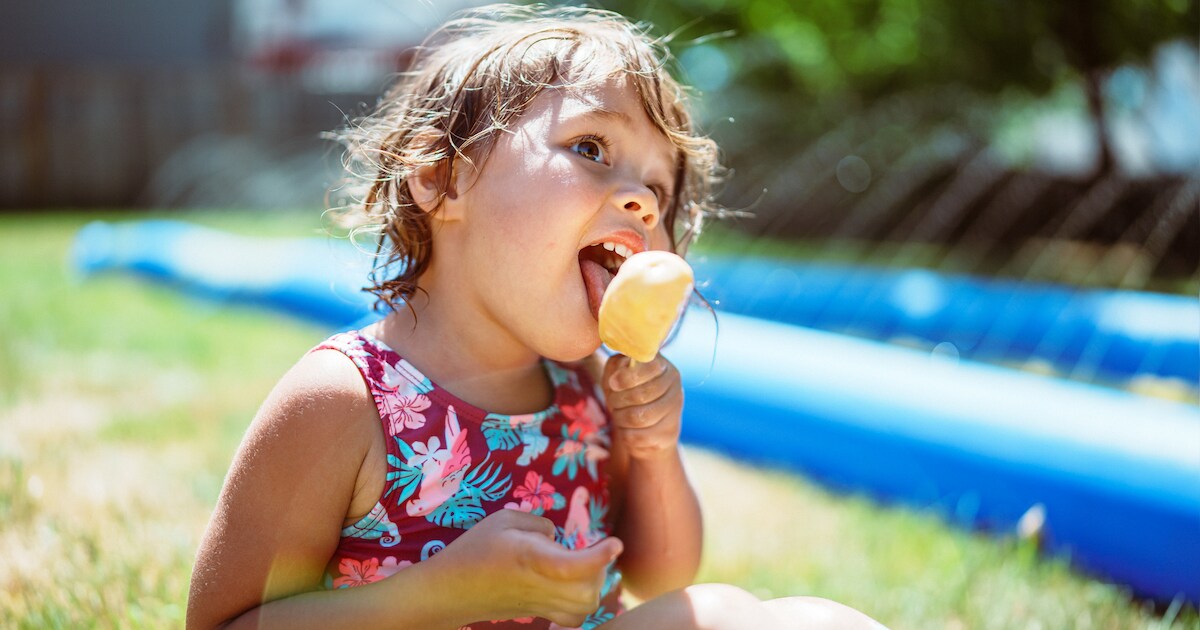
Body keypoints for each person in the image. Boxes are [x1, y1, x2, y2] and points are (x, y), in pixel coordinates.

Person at [187, 4, 884, 629]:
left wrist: (653, 454)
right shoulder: (346, 401)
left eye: (660, 189)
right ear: (441, 178)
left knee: (782, 619)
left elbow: (662, 575)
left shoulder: (586, 392)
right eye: (590, 148)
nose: (642, 200)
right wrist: (438, 598)